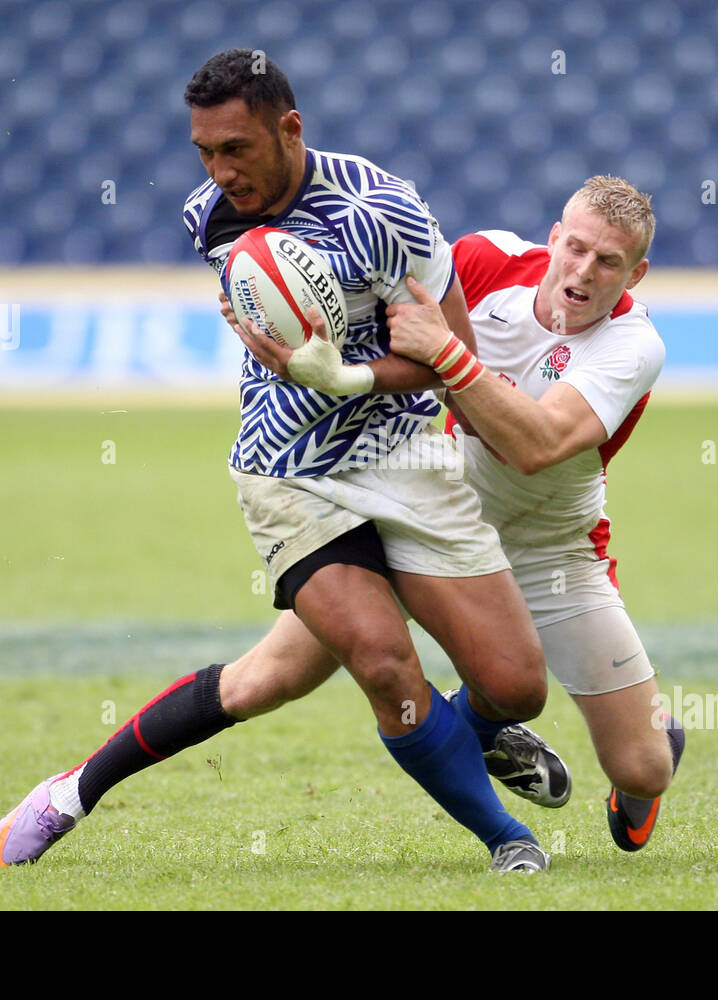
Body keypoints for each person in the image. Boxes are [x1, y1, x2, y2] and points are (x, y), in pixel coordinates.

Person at [0, 48, 565, 875]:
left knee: (511, 684)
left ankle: (475, 733)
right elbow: (262, 304)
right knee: (384, 664)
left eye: (236, 149)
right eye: (204, 153)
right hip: (290, 468)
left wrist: (348, 373)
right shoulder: (207, 217)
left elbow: (456, 354)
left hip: (406, 453)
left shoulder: (383, 211)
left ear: (290, 128)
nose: (219, 172)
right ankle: (509, 838)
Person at [234, 175, 686, 853]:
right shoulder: (483, 262)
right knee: (271, 675)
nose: (585, 271)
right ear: (555, 238)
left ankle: (503, 721)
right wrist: (277, 308)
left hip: (554, 549)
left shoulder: (634, 344)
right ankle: (71, 793)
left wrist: (445, 354)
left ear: (637, 272)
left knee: (645, 766)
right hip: (433, 517)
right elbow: (370, 325)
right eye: (578, 249)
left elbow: (535, 445)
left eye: (609, 262)